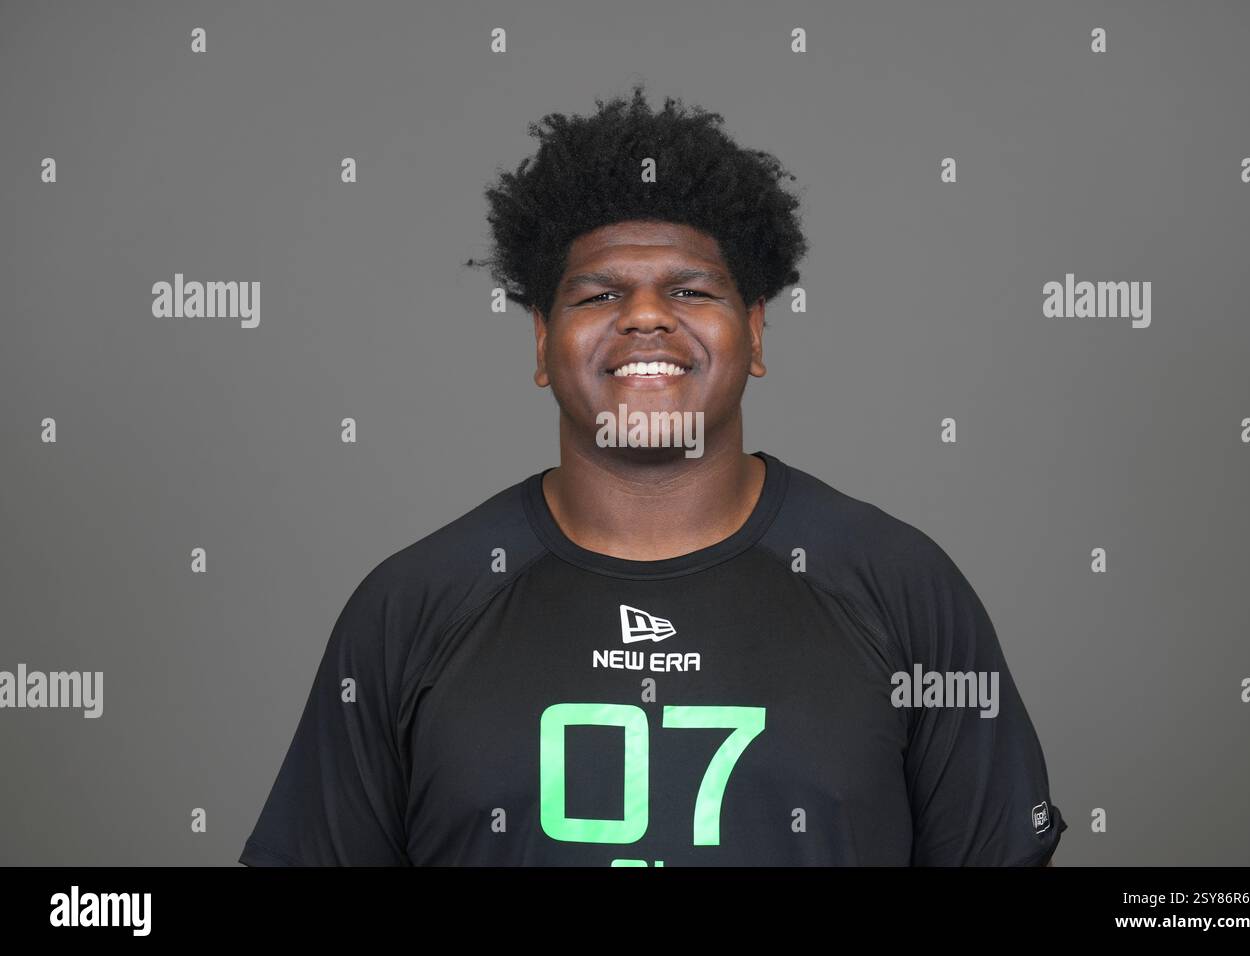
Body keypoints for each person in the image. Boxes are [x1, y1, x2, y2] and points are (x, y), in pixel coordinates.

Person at [239, 83, 1066, 866]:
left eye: (689, 288)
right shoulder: (412, 606)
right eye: (597, 295)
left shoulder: (901, 586)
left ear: (755, 334)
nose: (644, 316)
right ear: (540, 342)